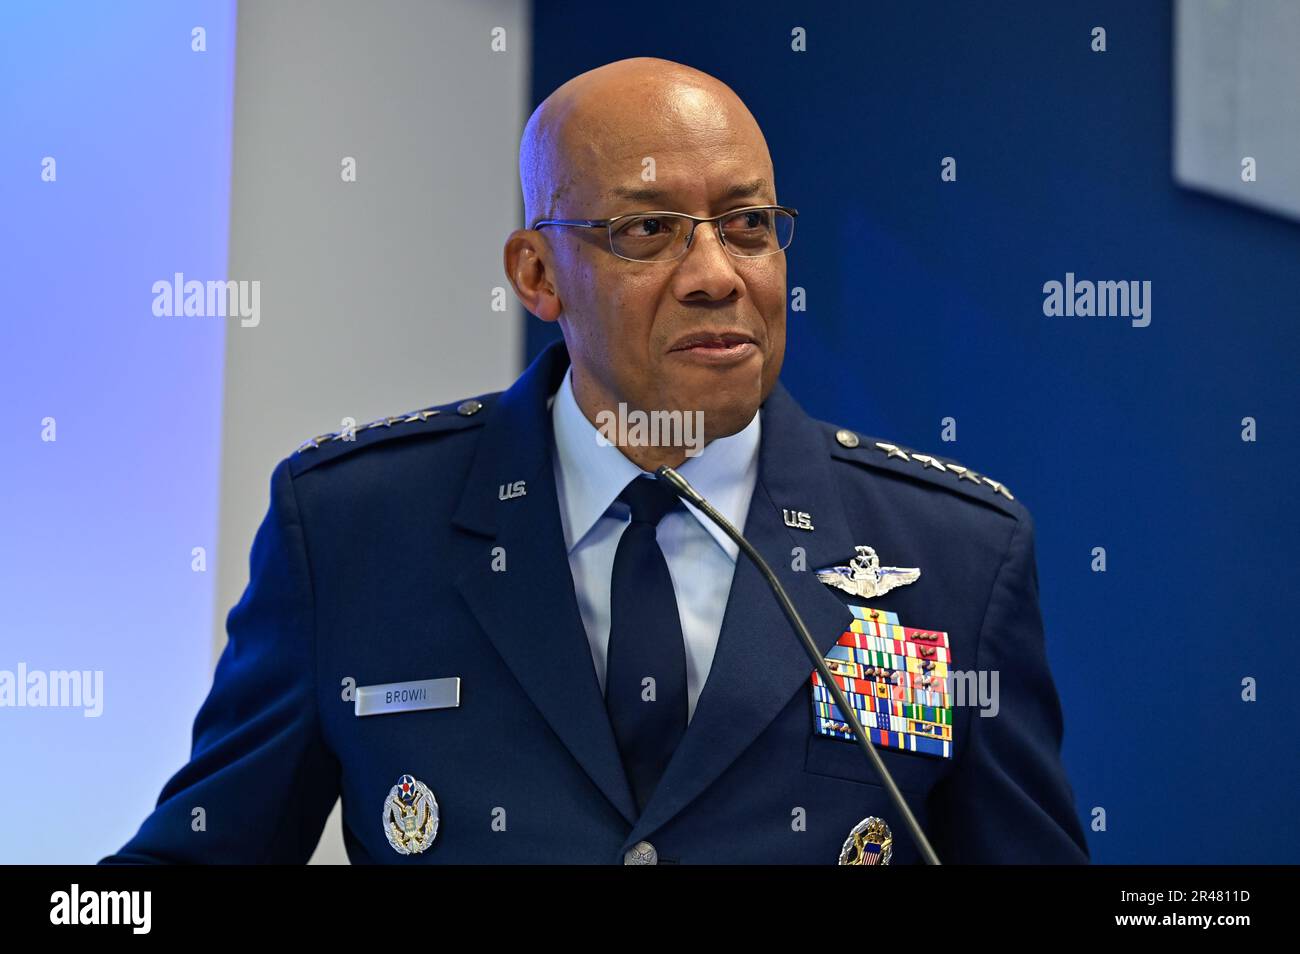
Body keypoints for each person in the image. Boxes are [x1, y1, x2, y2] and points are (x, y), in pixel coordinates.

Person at [102, 57, 1088, 865]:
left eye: (748, 226)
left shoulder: (951, 554)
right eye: (646, 231)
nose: (715, 275)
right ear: (536, 275)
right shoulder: (356, 529)